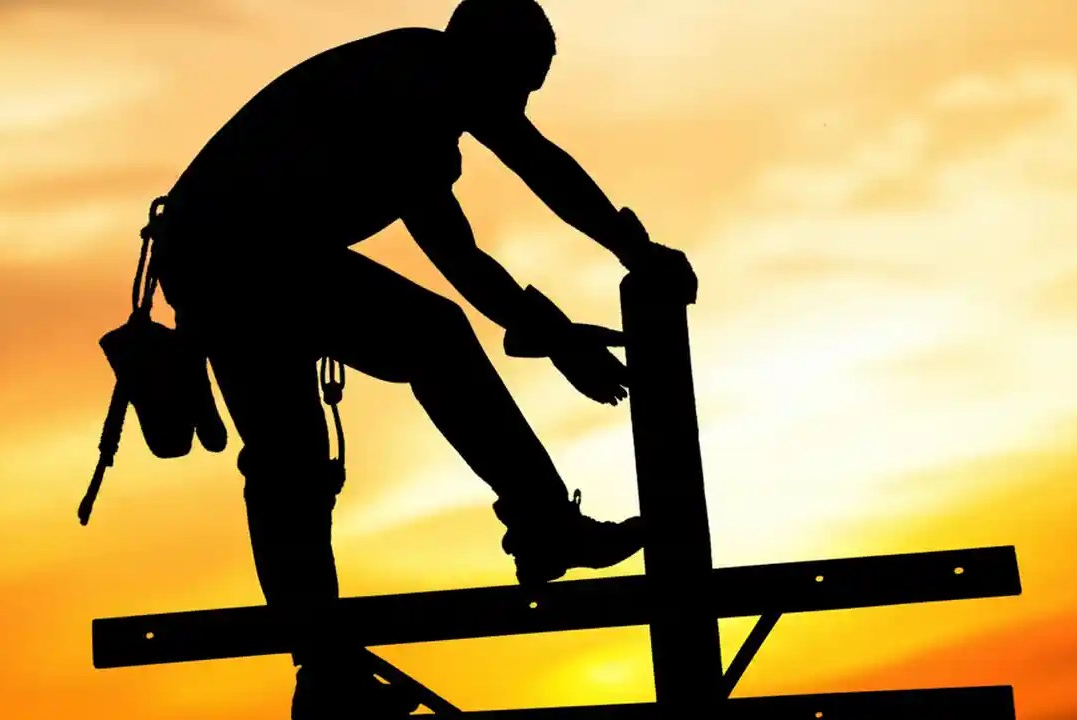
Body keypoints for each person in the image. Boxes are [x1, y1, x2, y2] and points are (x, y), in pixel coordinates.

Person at [151, 0, 694, 715]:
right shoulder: (411, 94)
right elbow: (461, 247)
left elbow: (533, 167)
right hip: (240, 259)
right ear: (484, 60)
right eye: (519, 85)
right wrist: (562, 327)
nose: (520, 107)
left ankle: (328, 677)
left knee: (293, 461)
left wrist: (625, 257)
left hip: (237, 259)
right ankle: (540, 527)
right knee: (419, 350)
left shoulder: (428, 79)